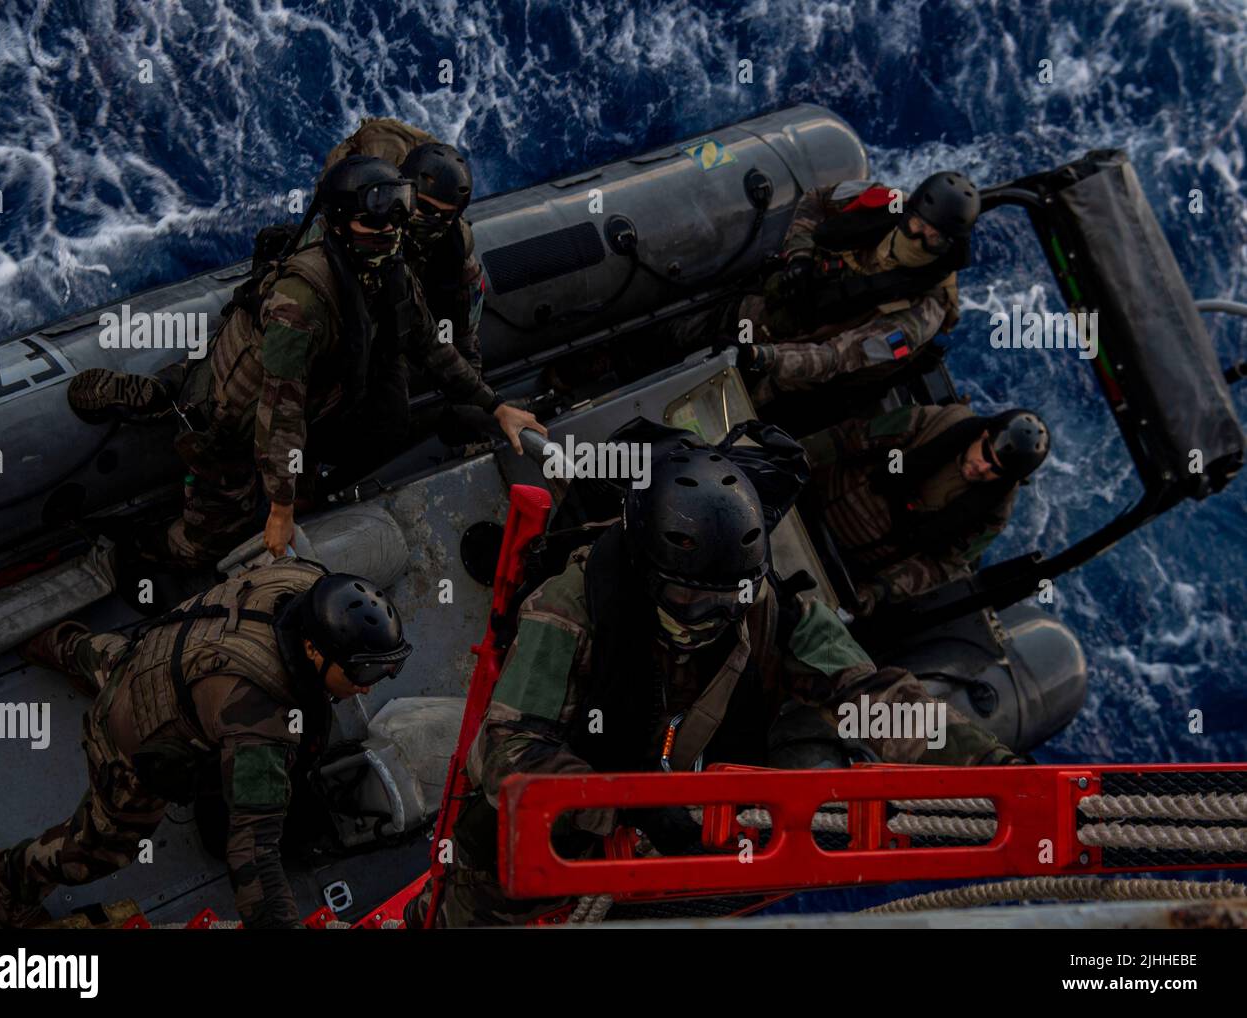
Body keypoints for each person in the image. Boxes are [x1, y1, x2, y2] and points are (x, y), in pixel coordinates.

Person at [410, 445, 1021, 927]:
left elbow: (871, 693)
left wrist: (988, 765)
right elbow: (510, 752)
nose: (711, 616)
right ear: (646, 573)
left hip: (652, 802)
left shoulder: (761, 606)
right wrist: (635, 804)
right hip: (544, 832)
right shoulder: (569, 608)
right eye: (688, 597)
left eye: (729, 598)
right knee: (477, 910)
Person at [67, 156, 544, 566]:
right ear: (339, 224)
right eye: (373, 222)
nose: (388, 232)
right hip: (236, 420)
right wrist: (281, 506)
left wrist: (495, 405)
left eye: (394, 221)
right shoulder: (302, 300)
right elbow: (280, 411)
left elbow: (432, 347)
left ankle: (165, 392)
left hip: (299, 389)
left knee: (223, 384)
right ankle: (131, 549)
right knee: (204, 542)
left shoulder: (389, 272)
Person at [0, 563, 412, 929]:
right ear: (313, 650)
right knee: (101, 847)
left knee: (105, 656)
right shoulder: (259, 721)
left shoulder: (304, 579)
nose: (368, 687)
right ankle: (0, 878)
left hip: (158, 652)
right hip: (137, 732)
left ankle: (53, 641)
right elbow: (252, 852)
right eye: (362, 672)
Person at [673, 171, 980, 398]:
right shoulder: (883, 201)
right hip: (792, 304)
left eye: (934, 239)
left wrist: (760, 357)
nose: (919, 240)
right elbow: (816, 198)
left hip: (814, 364)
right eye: (917, 226)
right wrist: (800, 257)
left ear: (950, 246)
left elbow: (836, 358)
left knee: (751, 402)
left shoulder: (923, 312)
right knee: (705, 325)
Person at [800, 403, 1051, 614]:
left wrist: (880, 589)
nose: (983, 467)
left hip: (848, 566)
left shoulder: (994, 512)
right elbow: (849, 439)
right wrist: (796, 461)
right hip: (815, 503)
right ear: (984, 434)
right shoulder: (937, 423)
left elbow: (941, 566)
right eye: (986, 453)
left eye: (996, 469)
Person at [319, 119, 484, 378]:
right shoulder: (363, 233)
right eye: (425, 207)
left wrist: (470, 382)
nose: (432, 219)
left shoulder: (455, 247)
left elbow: (464, 332)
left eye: (444, 215)